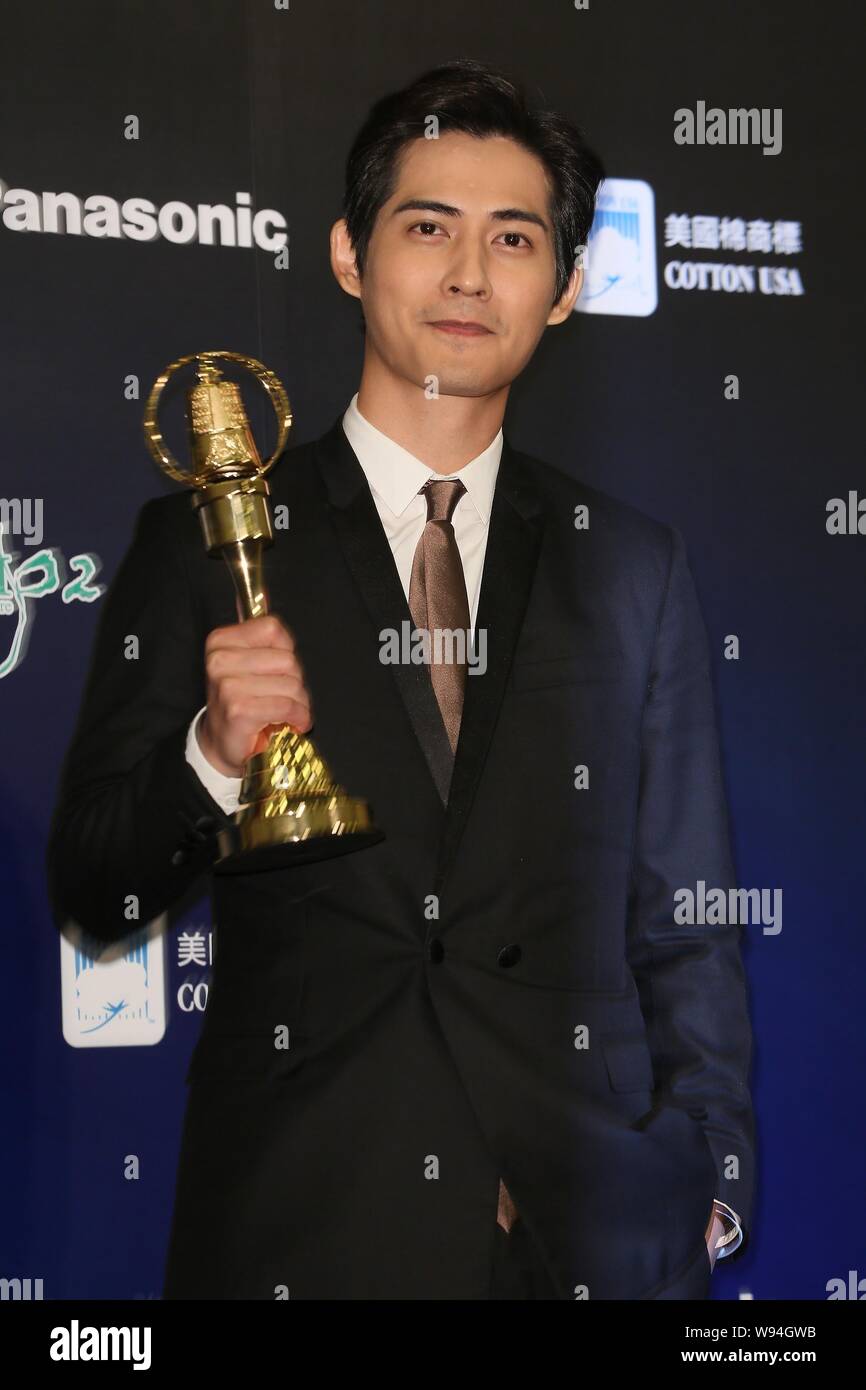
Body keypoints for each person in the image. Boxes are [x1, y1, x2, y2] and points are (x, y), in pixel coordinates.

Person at [46, 57, 754, 1299]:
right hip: (303, 1232)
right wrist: (211, 757)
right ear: (345, 253)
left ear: (567, 287)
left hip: (586, 1244)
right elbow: (97, 890)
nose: (469, 274)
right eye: (427, 227)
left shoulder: (631, 563)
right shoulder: (210, 539)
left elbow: (682, 915)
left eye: (514, 238)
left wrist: (707, 1187)